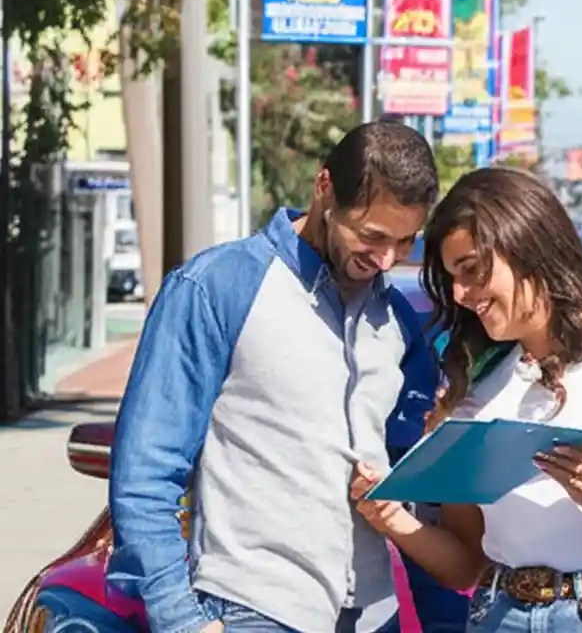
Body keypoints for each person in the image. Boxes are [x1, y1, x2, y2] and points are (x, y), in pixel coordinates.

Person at [350, 167, 582, 632]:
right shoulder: (474, 388)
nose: (460, 294)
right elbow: (465, 564)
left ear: (526, 248)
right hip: (500, 616)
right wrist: (393, 518)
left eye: (471, 269)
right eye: (452, 278)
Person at [108, 121, 440, 633]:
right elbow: (145, 474)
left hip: (376, 614)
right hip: (252, 609)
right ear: (324, 188)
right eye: (371, 236)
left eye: (405, 241)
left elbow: (418, 485)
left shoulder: (396, 319)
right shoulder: (216, 288)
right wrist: (180, 620)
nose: (386, 259)